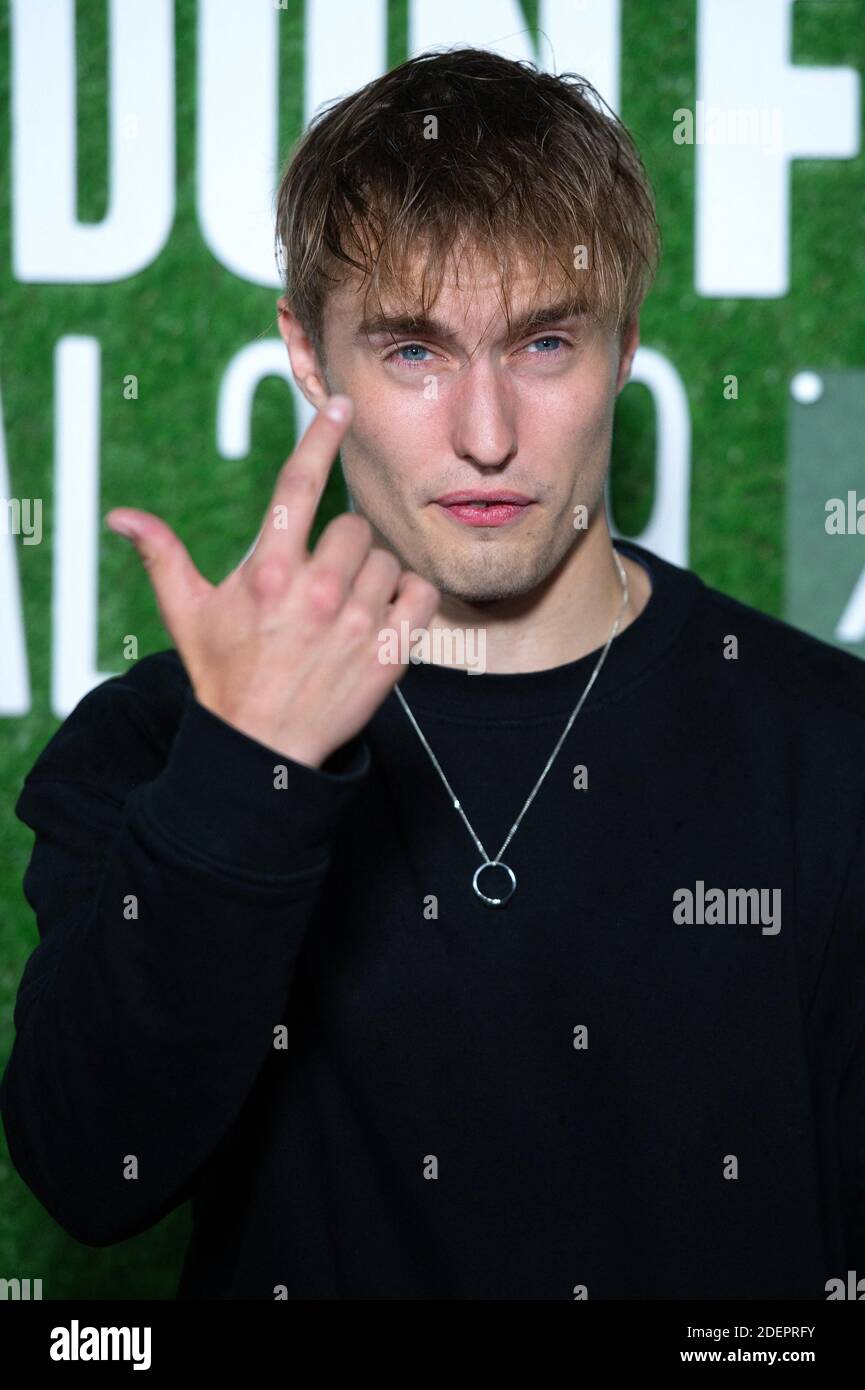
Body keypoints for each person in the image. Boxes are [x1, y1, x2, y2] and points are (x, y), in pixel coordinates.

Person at [3, 46, 864, 1302]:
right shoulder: (159, 744)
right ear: (308, 355)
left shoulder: (827, 750)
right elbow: (93, 1172)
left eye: (543, 343)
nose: (486, 433)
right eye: (411, 352)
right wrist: (245, 782)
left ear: (624, 345)